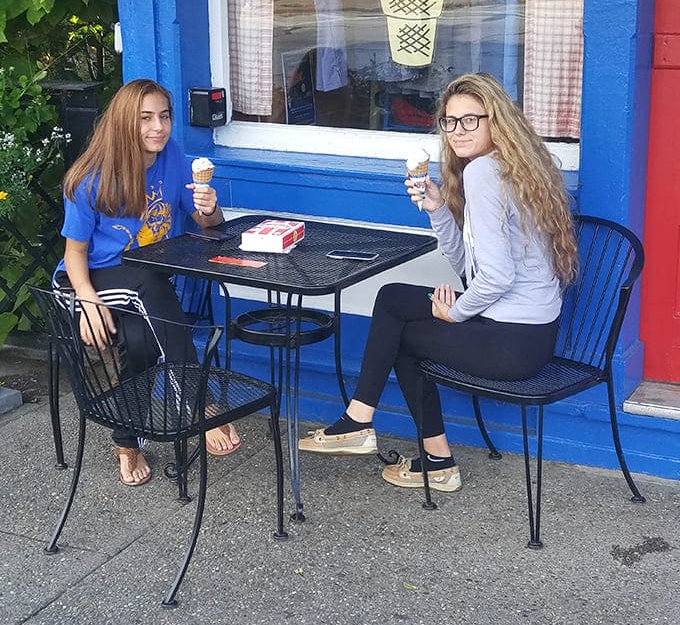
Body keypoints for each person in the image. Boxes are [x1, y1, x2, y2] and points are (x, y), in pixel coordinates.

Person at [300, 72, 577, 492]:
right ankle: (380, 430)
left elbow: (495, 278)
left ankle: (400, 441)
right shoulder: (511, 167)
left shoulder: (483, 172)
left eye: (471, 120)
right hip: (532, 335)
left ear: (496, 121)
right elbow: (469, 269)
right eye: (449, 121)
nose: (457, 131)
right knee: (393, 299)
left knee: (403, 337)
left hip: (512, 342)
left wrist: (457, 312)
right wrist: (437, 209)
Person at [52, 78, 240, 486]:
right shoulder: (90, 178)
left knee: (140, 339)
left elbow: (208, 224)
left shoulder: (172, 157)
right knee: (148, 283)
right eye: (146, 118)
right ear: (124, 123)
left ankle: (127, 441)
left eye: (164, 116)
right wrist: (87, 300)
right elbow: (75, 255)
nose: (159, 127)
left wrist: (210, 208)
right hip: (90, 279)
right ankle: (199, 404)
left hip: (146, 282)